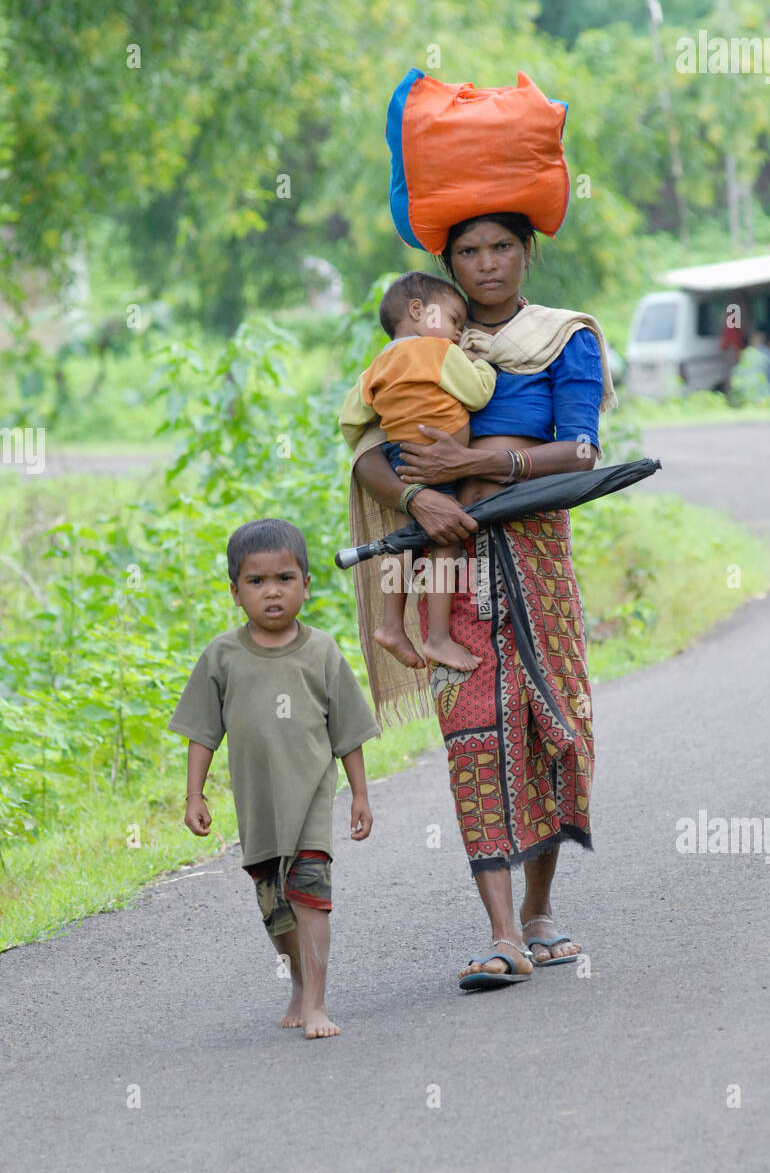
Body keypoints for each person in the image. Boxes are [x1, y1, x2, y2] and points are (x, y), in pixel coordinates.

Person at [347, 213, 617, 991]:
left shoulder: (564, 339)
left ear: (528, 253)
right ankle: (502, 935)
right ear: (448, 263)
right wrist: (417, 499)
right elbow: (368, 450)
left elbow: (582, 449)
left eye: (502, 246)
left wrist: (478, 459)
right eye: (469, 250)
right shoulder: (419, 343)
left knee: (553, 731)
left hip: (536, 559)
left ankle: (538, 913)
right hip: (444, 564)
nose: (487, 263)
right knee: (475, 732)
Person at [169, 518, 379, 1038]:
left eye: (285, 578)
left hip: (308, 801)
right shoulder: (221, 656)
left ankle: (317, 1003)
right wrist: (194, 793)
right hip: (257, 809)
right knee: (276, 913)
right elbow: (201, 732)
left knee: (310, 894)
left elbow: (347, 732)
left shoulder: (322, 652)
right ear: (235, 592)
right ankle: (298, 980)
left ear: (306, 584)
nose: (272, 593)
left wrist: (360, 795)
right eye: (256, 582)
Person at [340, 271, 497, 673]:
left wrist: (392, 428)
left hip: (401, 458)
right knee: (447, 537)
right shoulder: (439, 352)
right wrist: (482, 365)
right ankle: (438, 637)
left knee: (407, 536)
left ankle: (392, 625)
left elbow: (351, 421)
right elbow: (478, 396)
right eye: (454, 320)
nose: (458, 333)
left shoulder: (377, 365)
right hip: (438, 460)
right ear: (418, 311)